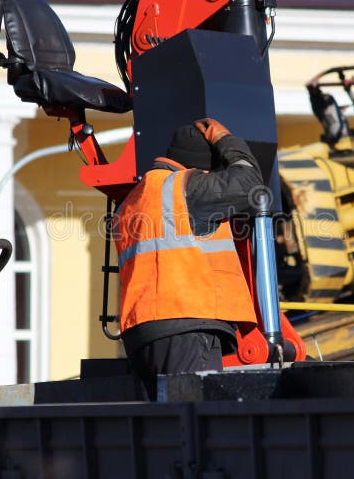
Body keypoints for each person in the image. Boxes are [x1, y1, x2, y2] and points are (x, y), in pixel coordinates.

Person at [112, 117, 263, 399]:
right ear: (201, 167)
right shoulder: (187, 188)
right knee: (192, 426)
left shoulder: (133, 199)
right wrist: (228, 143)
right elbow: (251, 185)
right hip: (187, 329)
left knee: (163, 429)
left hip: (142, 335)